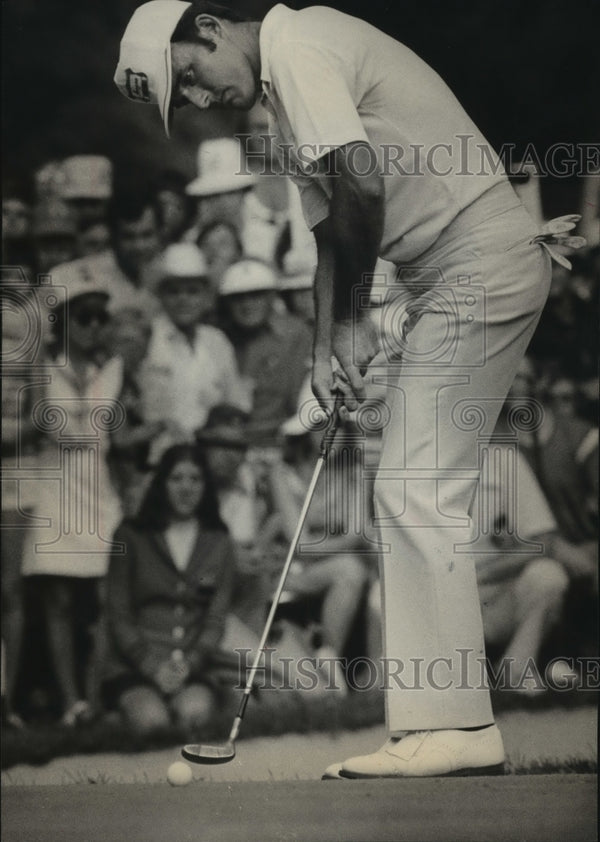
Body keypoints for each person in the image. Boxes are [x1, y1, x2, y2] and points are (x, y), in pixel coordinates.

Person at [115, 1, 571, 779]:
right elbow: (330, 231)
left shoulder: (299, 46)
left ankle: (454, 725)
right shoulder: (282, 106)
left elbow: (362, 188)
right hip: (444, 273)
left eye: (188, 77)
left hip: (478, 258)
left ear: (213, 30)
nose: (196, 100)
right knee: (411, 485)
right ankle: (440, 723)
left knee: (412, 484)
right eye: (179, 98)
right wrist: (329, 346)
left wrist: (358, 325)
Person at [21, 279, 123, 726]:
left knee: (105, 600)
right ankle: (69, 704)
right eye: (83, 317)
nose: (94, 327)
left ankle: (95, 696)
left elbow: (117, 435)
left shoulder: (116, 368)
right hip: (54, 485)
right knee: (58, 599)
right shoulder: (44, 367)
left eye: (101, 318)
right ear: (64, 324)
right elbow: (44, 423)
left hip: (99, 487)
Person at [102, 444, 234, 737]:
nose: (186, 488)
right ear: (161, 484)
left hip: (193, 667)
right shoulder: (131, 535)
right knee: (152, 723)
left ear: (206, 486)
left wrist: (190, 664)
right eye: (176, 479)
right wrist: (151, 666)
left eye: (195, 479)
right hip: (136, 666)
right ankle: (114, 712)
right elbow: (119, 615)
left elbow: (215, 620)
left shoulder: (219, 539)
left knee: (194, 715)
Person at [140, 241, 247, 459]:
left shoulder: (216, 341)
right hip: (158, 456)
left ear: (205, 296)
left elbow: (233, 403)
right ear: (161, 295)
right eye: (174, 292)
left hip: (210, 457)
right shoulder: (148, 338)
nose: (183, 300)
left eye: (192, 291)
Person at [217, 257, 312, 449]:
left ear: (271, 297)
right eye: (238, 298)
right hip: (225, 445)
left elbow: (299, 410)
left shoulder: (294, 335)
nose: (246, 305)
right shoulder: (219, 337)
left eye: (255, 295)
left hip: (278, 445)